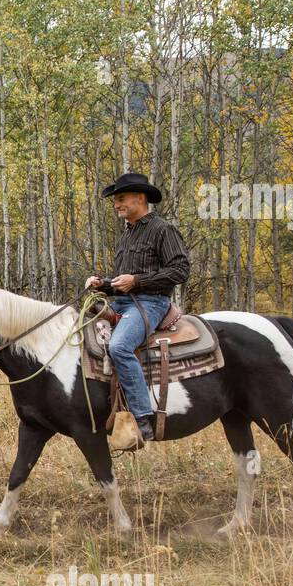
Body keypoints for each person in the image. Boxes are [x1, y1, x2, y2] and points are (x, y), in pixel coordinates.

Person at [84, 172, 190, 444]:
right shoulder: (128, 235)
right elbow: (123, 283)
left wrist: (137, 281)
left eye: (121, 199)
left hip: (151, 304)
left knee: (119, 347)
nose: (116, 204)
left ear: (140, 198)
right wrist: (103, 284)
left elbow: (180, 270)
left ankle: (142, 419)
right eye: (115, 200)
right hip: (123, 302)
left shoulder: (163, 229)